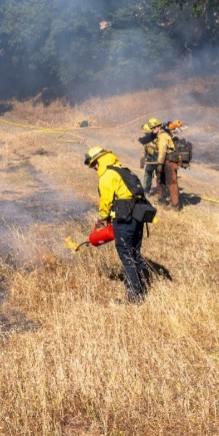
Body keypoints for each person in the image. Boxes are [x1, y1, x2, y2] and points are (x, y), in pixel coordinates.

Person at [84, 146, 152, 302]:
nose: (94, 168)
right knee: (135, 253)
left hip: (124, 219)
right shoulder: (123, 170)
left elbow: (106, 201)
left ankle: (134, 297)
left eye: (94, 164)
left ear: (99, 161)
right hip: (137, 217)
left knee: (126, 256)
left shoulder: (107, 176)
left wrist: (102, 217)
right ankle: (140, 289)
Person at [139, 117, 180, 210]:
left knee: (171, 182)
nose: (153, 130)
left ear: (158, 126)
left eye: (154, 128)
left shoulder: (162, 136)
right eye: (151, 128)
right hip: (165, 161)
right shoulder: (158, 135)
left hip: (169, 161)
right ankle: (163, 200)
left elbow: (162, 152)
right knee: (160, 181)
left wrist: (160, 165)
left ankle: (175, 206)